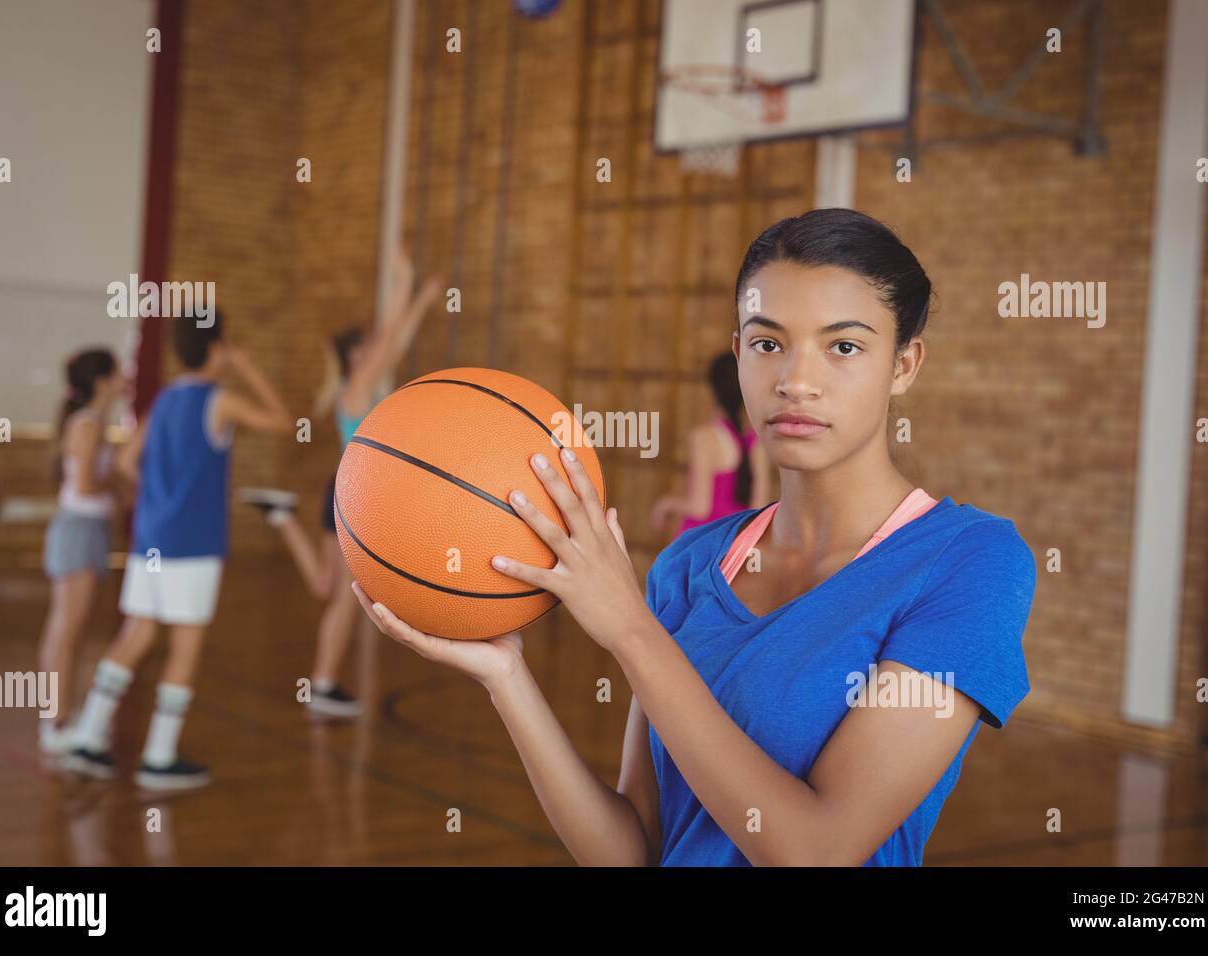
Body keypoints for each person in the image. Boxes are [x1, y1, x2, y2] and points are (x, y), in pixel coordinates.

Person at [348, 207, 1037, 866]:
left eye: (844, 347)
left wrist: (631, 632)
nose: (796, 381)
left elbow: (816, 852)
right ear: (738, 354)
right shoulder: (689, 566)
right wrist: (507, 677)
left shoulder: (969, 562)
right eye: (768, 343)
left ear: (905, 365)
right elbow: (632, 851)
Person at [67, 309, 291, 790]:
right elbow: (283, 421)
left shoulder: (164, 400)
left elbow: (127, 461)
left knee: (136, 635)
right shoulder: (221, 399)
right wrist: (246, 367)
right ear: (216, 349)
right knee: (184, 646)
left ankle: (87, 736)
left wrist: (165, 493)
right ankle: (159, 758)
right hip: (192, 544)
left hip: (151, 538)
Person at [242, 250, 442, 717]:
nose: (381, 349)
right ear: (358, 356)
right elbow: (393, 337)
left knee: (325, 588)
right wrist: (406, 283)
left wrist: (420, 299)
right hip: (355, 496)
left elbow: (396, 338)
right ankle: (324, 683)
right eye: (370, 346)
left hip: (341, 490)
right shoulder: (358, 386)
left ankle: (281, 517)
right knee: (348, 598)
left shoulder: (360, 386)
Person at [37, 348, 126, 757]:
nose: (125, 376)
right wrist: (120, 479)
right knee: (66, 631)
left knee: (70, 629)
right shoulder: (87, 425)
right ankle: (55, 723)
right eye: (118, 372)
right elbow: (89, 485)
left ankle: (59, 718)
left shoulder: (93, 423)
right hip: (78, 529)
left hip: (87, 530)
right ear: (103, 380)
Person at [650, 352, 772, 539]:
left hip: (701, 544)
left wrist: (666, 504)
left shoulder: (705, 438)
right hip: (735, 548)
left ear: (713, 390)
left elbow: (700, 508)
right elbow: (758, 509)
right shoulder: (756, 442)